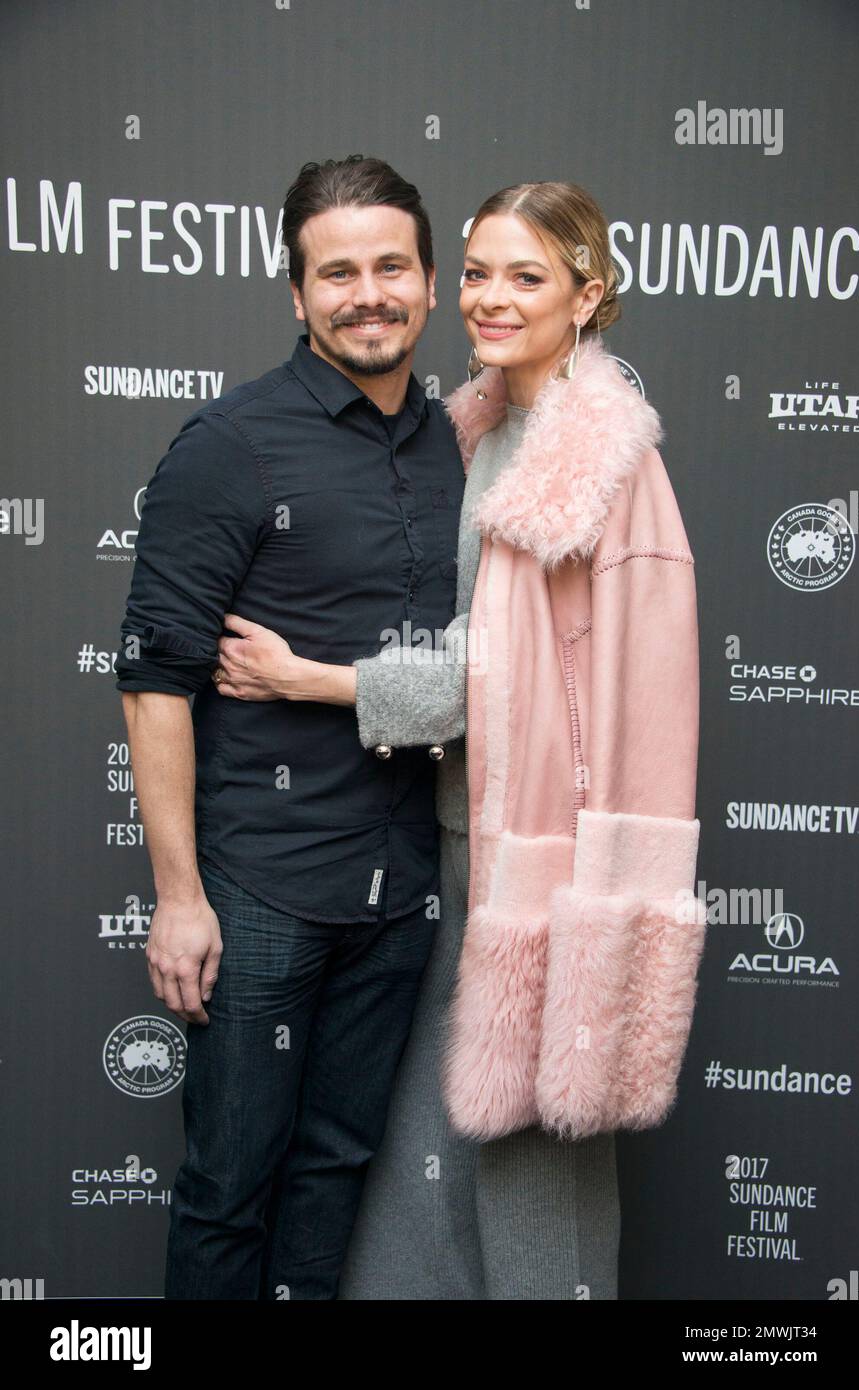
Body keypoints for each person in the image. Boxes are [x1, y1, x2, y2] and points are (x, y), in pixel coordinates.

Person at [212, 180, 707, 1300]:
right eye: (477, 270)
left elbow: (507, 687)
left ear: (587, 294)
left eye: (525, 276)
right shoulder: (480, 432)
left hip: (543, 866)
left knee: (539, 1188)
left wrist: (311, 679)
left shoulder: (598, 459)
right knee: (425, 1171)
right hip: (448, 844)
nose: (489, 297)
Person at [114, 155, 466, 1299]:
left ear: (427, 283)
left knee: (336, 1173)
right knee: (230, 1187)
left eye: (390, 267)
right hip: (259, 891)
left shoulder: (457, 444)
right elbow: (155, 679)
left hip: (400, 887)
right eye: (338, 272)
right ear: (297, 293)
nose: (368, 293)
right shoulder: (231, 444)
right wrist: (178, 896)